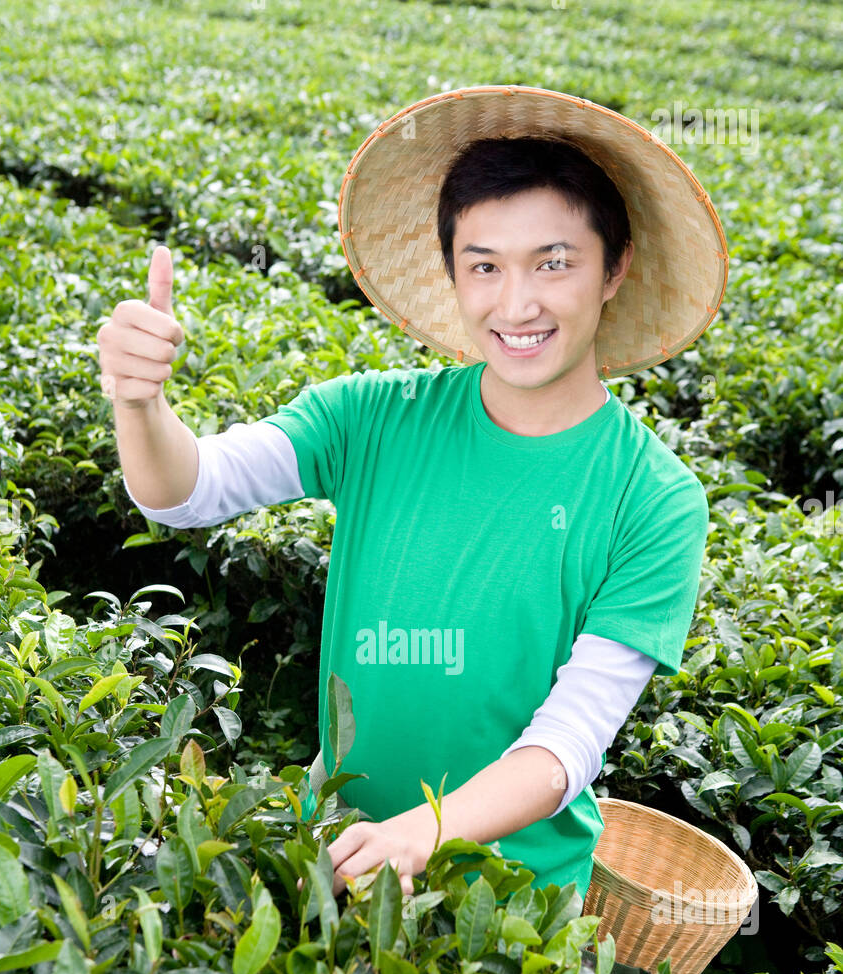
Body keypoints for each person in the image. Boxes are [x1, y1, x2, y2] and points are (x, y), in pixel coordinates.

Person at [97, 85, 727, 903]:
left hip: (510, 913)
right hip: (331, 855)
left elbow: (569, 742)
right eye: (485, 267)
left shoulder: (654, 500)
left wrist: (422, 832)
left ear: (616, 268)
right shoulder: (369, 418)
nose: (518, 303)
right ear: (454, 276)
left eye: (554, 262)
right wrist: (139, 404)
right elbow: (185, 491)